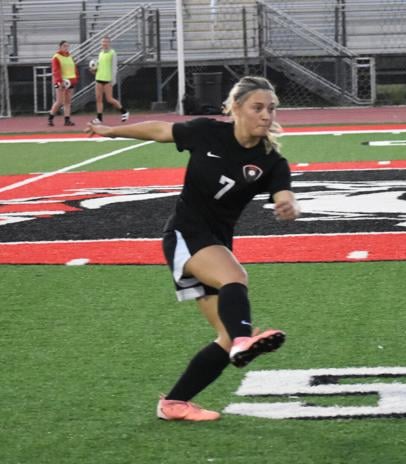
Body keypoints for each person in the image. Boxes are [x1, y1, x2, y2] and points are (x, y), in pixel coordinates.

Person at [85, 76, 301, 421]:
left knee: (228, 337)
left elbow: (284, 193)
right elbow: (160, 130)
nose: (266, 115)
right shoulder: (207, 132)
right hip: (186, 236)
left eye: (271, 108)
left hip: (215, 244)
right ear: (235, 109)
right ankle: (246, 340)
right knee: (236, 278)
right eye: (257, 107)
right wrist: (111, 131)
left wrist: (289, 206)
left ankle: (174, 403)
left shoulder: (272, 160)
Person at [90, 36, 129, 124]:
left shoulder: (112, 53)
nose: (104, 43)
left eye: (106, 42)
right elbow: (99, 66)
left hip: (107, 79)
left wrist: (113, 80)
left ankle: (124, 112)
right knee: (98, 98)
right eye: (103, 42)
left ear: (109, 43)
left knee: (109, 99)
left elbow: (114, 67)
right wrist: (94, 70)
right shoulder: (100, 53)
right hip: (98, 78)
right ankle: (99, 118)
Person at [48, 40, 79, 127]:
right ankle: (50, 118)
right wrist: (59, 81)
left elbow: (74, 68)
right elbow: (56, 70)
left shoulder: (70, 56)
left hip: (70, 81)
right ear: (60, 47)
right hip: (61, 82)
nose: (66, 48)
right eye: (64, 46)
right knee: (59, 101)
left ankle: (67, 120)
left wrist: (75, 78)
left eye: (67, 46)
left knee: (68, 101)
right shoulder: (56, 57)